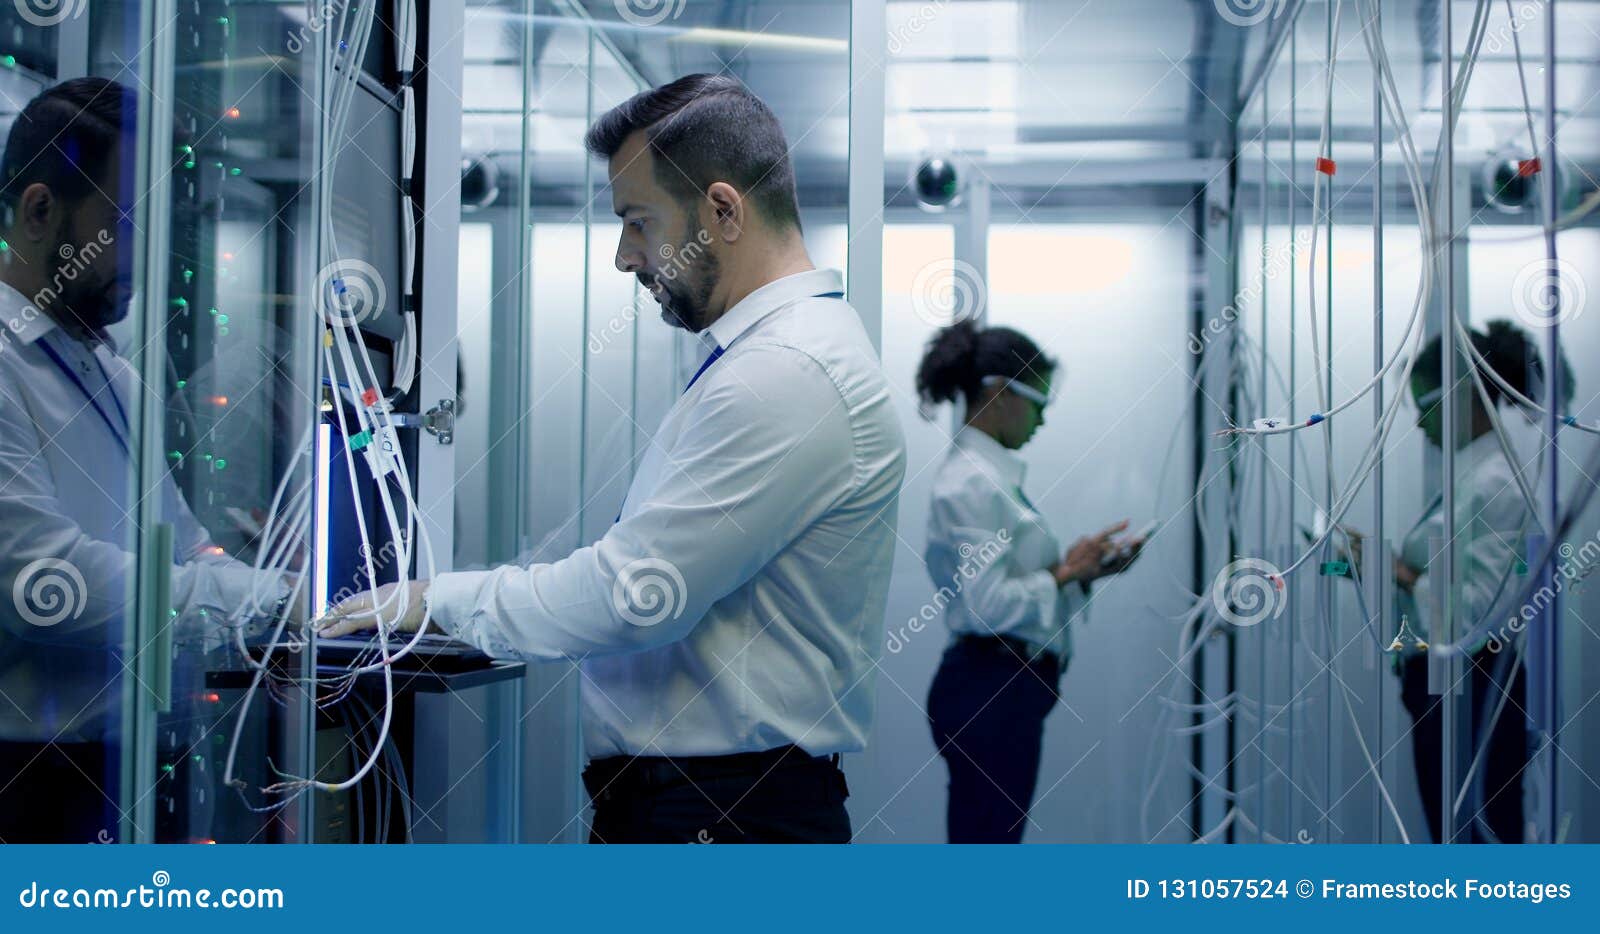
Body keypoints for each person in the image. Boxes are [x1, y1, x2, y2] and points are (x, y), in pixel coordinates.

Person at [322, 74, 907, 844]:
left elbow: (636, 596)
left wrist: (437, 602)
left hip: (723, 819)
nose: (626, 257)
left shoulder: (787, 372)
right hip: (708, 808)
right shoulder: (767, 358)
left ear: (722, 211)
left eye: (638, 222)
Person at [0, 78, 293, 842]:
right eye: (123, 222)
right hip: (23, 776)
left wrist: (295, 598)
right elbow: (43, 579)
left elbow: (180, 541)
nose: (147, 252)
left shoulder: (111, 370)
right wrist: (260, 602)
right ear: (38, 212)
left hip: (120, 760)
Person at [915, 321, 1143, 843]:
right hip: (988, 692)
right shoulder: (971, 483)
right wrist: (1066, 572)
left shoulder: (988, 478)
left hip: (1000, 690)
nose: (1044, 416)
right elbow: (985, 607)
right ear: (998, 394)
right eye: (1037, 400)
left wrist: (1082, 571)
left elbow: (1009, 586)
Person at [1388, 319, 1561, 843]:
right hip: (1449, 689)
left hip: (1472, 690)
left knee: (1479, 849)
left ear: (1462, 395)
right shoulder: (1472, 474)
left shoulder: (1499, 481)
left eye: (1425, 406)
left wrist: (1388, 568)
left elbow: (1472, 617)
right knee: (1461, 846)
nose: (1419, 424)